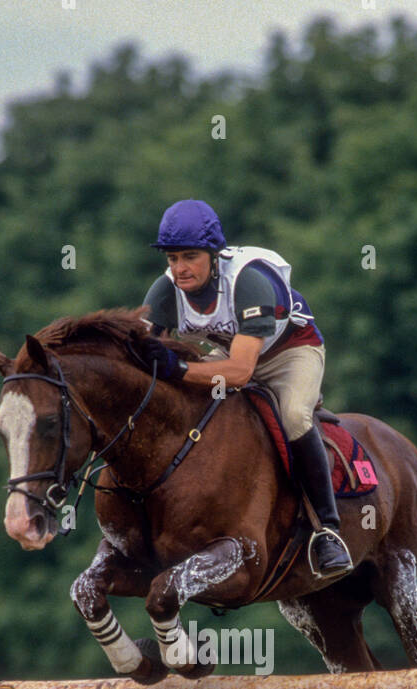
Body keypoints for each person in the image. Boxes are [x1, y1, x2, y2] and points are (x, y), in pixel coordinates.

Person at [139, 199, 353, 578]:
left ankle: (328, 532)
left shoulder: (248, 281)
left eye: (190, 257)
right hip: (229, 354)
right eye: (172, 258)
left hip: (291, 353)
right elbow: (141, 354)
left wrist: (178, 367)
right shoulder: (165, 291)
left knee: (293, 416)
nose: (179, 269)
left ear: (213, 255)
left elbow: (239, 373)